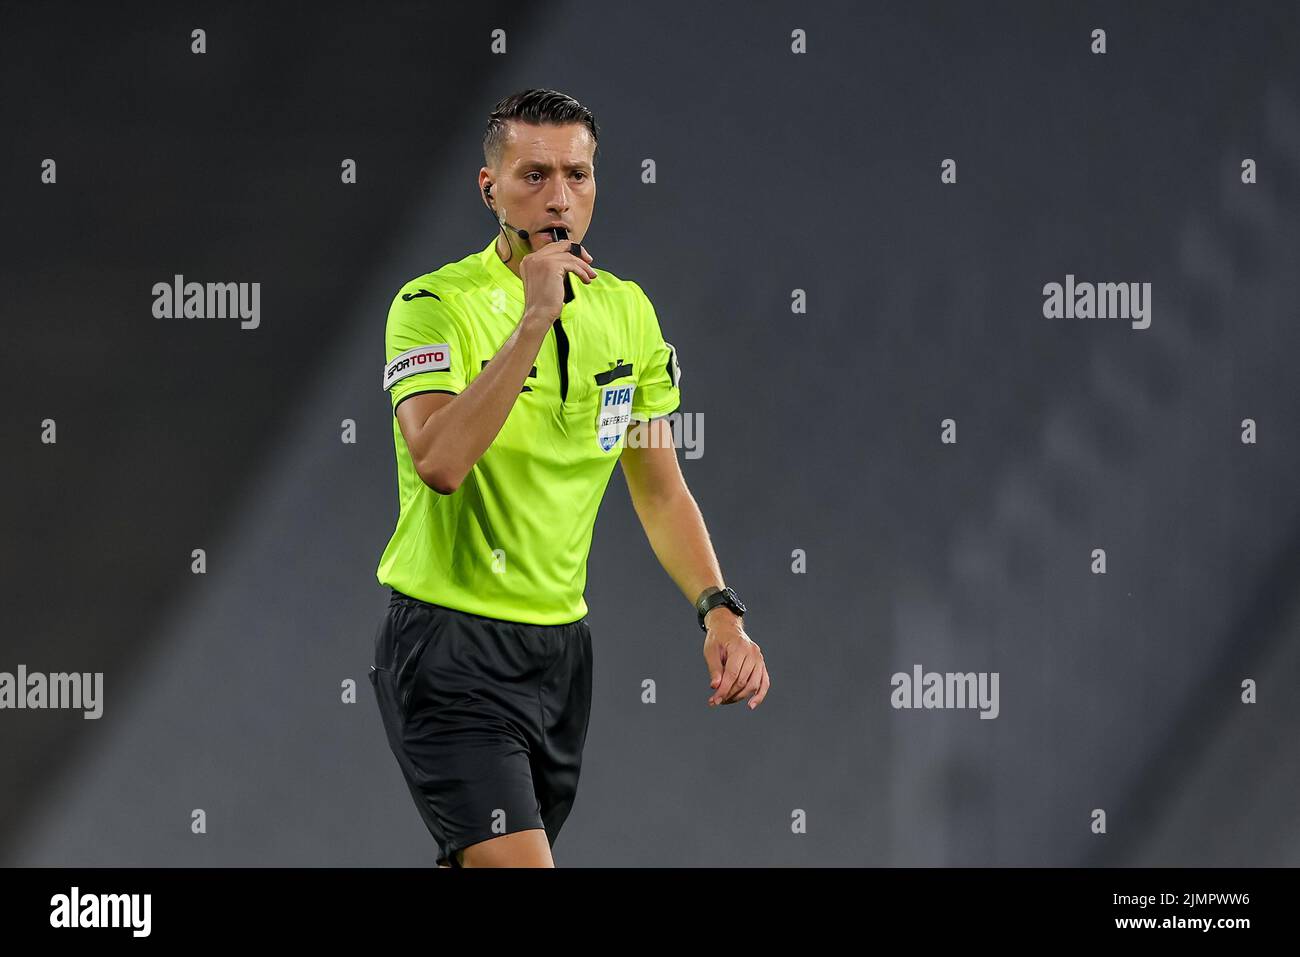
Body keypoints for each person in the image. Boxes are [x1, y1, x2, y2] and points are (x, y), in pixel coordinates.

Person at [368, 88, 769, 868]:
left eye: (578, 175)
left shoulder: (629, 314)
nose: (560, 197)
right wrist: (533, 320)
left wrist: (718, 610)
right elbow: (441, 462)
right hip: (449, 649)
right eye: (534, 175)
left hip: (560, 658)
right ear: (491, 189)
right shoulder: (432, 307)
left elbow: (659, 488)